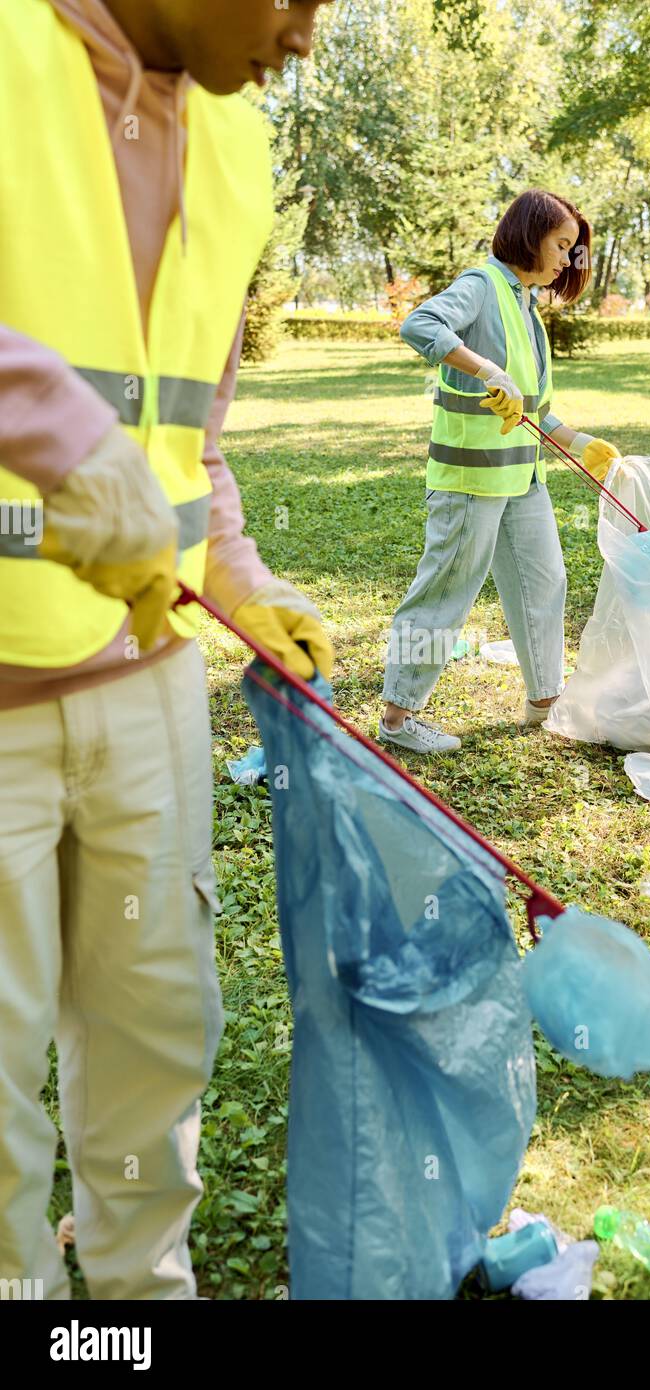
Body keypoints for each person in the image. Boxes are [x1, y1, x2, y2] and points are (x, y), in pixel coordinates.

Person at [0, 0, 333, 1300]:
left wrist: (236, 577)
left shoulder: (238, 142)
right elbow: (83, 427)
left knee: (154, 1029)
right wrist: (54, 439)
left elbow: (190, 429)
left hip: (148, 685)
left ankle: (142, 1297)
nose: (305, 36)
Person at [379, 188, 624, 755]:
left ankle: (544, 701)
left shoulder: (523, 302)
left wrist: (578, 441)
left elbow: (528, 404)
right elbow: (420, 325)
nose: (568, 260)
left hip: (522, 477)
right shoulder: (482, 286)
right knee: (447, 590)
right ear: (529, 233)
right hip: (471, 480)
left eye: (572, 250)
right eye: (562, 245)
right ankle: (398, 716)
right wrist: (484, 364)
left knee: (544, 581)